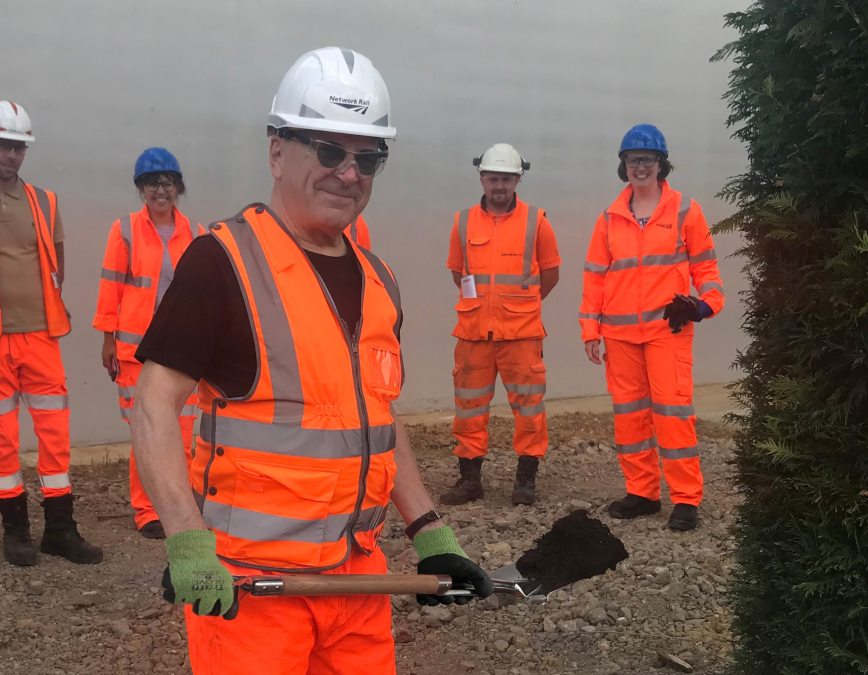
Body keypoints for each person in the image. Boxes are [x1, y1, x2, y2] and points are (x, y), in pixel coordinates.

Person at [127, 47, 492, 674]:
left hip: (358, 583)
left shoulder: (379, 282)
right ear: (277, 151)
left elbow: (378, 419)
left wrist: (429, 531)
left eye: (367, 157)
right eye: (328, 150)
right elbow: (154, 406)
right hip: (251, 592)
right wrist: (187, 541)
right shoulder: (223, 263)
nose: (349, 173)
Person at [0, 101, 102, 565]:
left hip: (41, 334)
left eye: (19, 147)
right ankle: (16, 532)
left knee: (55, 434)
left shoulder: (45, 202)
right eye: (4, 145)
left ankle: (60, 530)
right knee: (3, 437)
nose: (12, 154)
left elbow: (57, 265)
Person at [579, 124, 725, 532]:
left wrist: (703, 304)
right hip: (620, 335)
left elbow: (707, 268)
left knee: (673, 414)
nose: (639, 166)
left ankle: (685, 499)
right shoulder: (609, 218)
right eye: (632, 159)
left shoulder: (684, 211)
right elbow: (594, 276)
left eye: (647, 159)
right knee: (630, 417)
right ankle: (642, 493)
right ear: (623, 166)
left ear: (662, 164)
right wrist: (590, 329)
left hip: (667, 332)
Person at [441, 143, 561, 506]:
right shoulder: (462, 222)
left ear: (517, 180)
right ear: (482, 178)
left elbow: (551, 274)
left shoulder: (536, 221)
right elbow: (458, 272)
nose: (499, 186)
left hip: (521, 334)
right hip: (474, 332)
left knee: (528, 409)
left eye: (506, 179)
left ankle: (525, 481)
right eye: (493, 178)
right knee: (469, 408)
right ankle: (470, 480)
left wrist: (519, 307)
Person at [93, 147, 198, 540]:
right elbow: (111, 287)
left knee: (185, 436)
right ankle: (146, 509)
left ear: (178, 188)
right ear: (141, 189)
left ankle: (182, 506)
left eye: (168, 182)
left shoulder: (196, 233)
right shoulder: (125, 230)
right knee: (146, 434)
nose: (161, 189)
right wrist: (107, 339)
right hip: (136, 352)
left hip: (181, 352)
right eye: (153, 183)